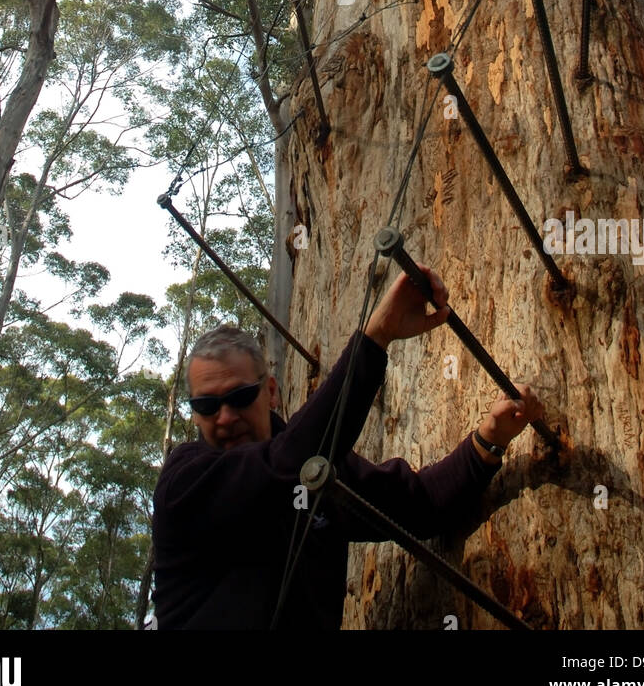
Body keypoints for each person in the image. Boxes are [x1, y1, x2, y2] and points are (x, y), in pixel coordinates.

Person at [151, 265, 544, 630]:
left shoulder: (318, 468)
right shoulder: (185, 483)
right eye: (206, 405)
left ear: (270, 392)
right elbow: (291, 463)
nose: (223, 417)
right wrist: (377, 334)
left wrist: (489, 440)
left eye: (238, 397)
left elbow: (419, 505)